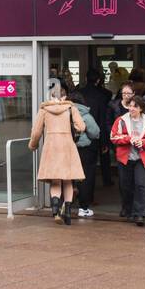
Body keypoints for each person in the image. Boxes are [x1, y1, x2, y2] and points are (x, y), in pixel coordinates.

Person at [29, 85, 85, 225]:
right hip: (67, 147)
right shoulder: (71, 108)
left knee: (55, 180)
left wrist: (33, 145)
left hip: (51, 147)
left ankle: (55, 210)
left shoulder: (44, 110)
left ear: (51, 96)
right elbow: (81, 127)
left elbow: (36, 132)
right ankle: (67, 212)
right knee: (67, 180)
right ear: (64, 96)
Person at [112, 94, 145, 225]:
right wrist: (128, 139)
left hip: (141, 159)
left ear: (141, 109)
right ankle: (129, 210)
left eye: (134, 106)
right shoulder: (121, 120)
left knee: (140, 184)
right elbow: (114, 137)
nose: (131, 109)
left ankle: (140, 214)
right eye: (130, 106)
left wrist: (142, 142)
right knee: (126, 186)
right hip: (125, 158)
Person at [68, 89, 101, 218]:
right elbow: (95, 132)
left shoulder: (65, 114)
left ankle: (67, 206)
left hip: (68, 149)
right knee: (85, 178)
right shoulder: (86, 116)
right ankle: (83, 208)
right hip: (84, 151)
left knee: (68, 178)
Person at [83, 69, 113, 188]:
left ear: (86, 79)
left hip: (80, 133)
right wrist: (104, 142)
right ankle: (106, 180)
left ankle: (83, 194)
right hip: (97, 133)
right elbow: (102, 119)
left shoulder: (78, 93)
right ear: (99, 80)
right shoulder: (104, 95)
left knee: (84, 165)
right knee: (100, 160)